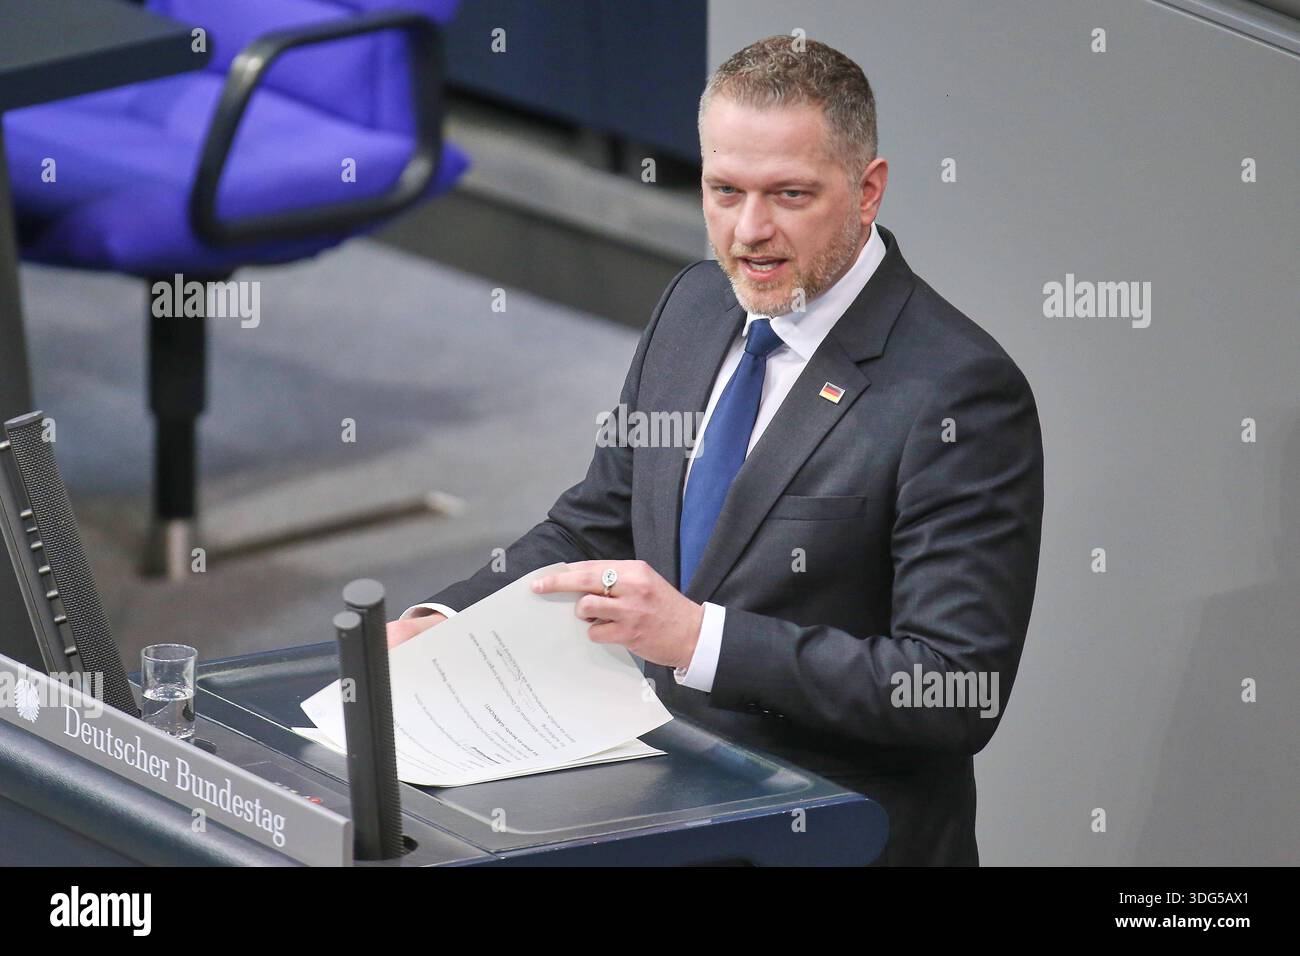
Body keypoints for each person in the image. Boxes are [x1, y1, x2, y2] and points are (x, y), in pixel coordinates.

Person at [387, 35, 1044, 866]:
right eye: (724, 191)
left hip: (833, 832)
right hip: (658, 796)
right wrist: (443, 622)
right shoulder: (695, 305)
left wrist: (700, 639)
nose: (749, 232)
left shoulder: (958, 393)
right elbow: (599, 522)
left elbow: (950, 690)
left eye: (789, 195)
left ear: (869, 190)